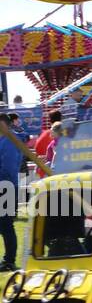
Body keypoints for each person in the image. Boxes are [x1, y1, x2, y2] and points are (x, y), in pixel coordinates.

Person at [0, 115, 23, 271]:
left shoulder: (9, 141)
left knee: (6, 225)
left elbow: (8, 169)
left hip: (6, 186)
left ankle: (9, 261)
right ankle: (8, 260)